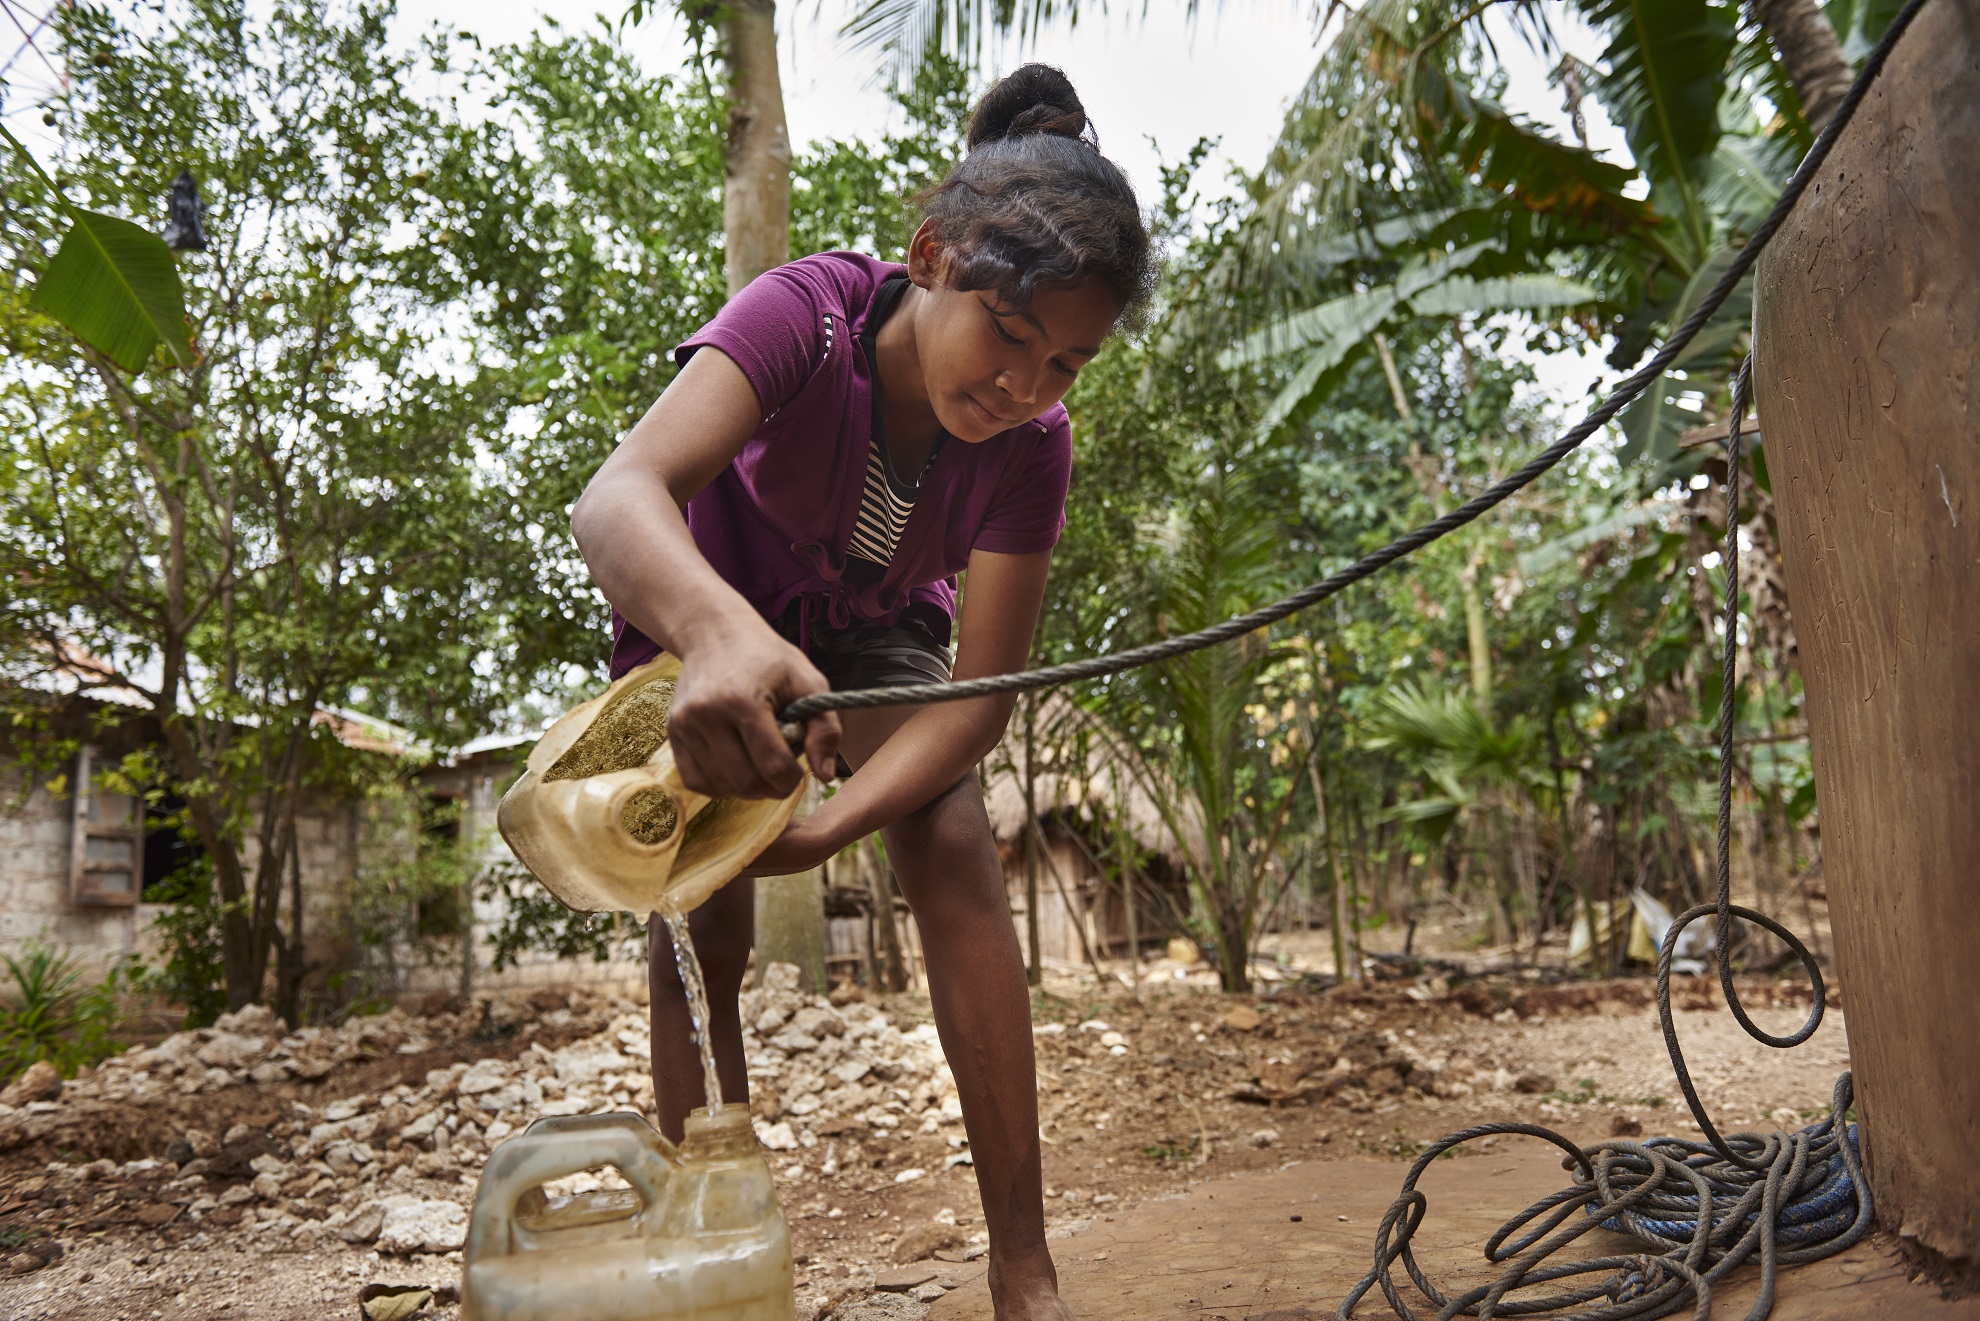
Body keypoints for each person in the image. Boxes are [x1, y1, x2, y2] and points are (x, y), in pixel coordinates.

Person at [570, 63, 1154, 1321]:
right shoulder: (811, 315)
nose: (1026, 387)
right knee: (700, 918)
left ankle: (1025, 1269)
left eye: (1067, 363)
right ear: (932, 256)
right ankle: (715, 1257)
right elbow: (616, 499)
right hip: (707, 610)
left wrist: (827, 826)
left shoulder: (1033, 449)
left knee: (952, 830)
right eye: (1010, 335)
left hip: (879, 637)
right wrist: (719, 638)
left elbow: (979, 699)